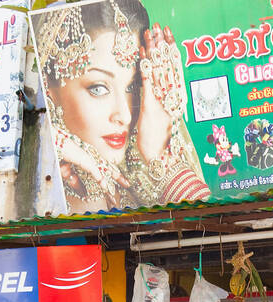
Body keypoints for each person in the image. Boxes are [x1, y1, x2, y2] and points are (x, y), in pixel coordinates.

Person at [33, 0, 210, 214]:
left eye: (133, 86)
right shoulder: (40, 184)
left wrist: (158, 156)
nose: (124, 116)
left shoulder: (140, 185)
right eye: (98, 89)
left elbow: (213, 229)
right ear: (48, 87)